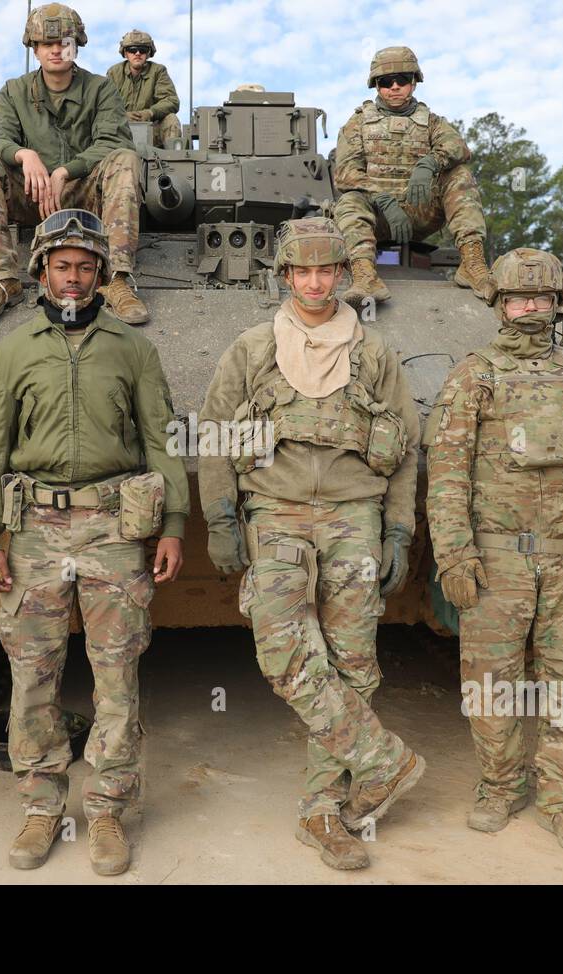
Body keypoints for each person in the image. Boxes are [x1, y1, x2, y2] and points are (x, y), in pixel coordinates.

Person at [198, 217, 424, 871]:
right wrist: (218, 516)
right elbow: (214, 431)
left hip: (355, 515)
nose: (316, 282)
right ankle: (384, 760)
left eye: (328, 270)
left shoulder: (373, 352)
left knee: (352, 665)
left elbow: (405, 448)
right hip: (278, 513)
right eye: (303, 270)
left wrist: (399, 528)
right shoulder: (252, 348)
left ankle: (323, 810)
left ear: (342, 276)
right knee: (287, 657)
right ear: (287, 275)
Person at [0, 208, 188, 876]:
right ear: (41, 270)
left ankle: (109, 810)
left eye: (86, 266)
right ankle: (40, 805)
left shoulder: (132, 349)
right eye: (62, 265)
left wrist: (173, 524)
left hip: (114, 527)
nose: (73, 278)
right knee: (32, 674)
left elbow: (160, 440)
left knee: (116, 676)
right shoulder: (12, 349)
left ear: (100, 273)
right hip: (34, 527)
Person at [425, 247, 563, 854]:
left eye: (542, 297)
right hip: (496, 559)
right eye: (520, 297)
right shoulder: (474, 376)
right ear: (499, 304)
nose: (531, 306)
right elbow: (446, 473)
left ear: (557, 305)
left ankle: (562, 800)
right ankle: (498, 787)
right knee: (491, 682)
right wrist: (454, 554)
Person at [0, 3, 149, 324]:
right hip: (32, 197)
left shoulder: (100, 89)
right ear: (35, 49)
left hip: (85, 198)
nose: (57, 50)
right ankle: (1, 279)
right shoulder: (14, 91)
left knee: (125, 160)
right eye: (47, 44)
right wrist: (24, 154)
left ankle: (115, 279)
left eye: (65, 43)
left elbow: (114, 141)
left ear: (76, 46)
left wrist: (66, 171)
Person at [331, 46, 494, 309]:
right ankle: (364, 276)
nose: (394, 87)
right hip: (377, 217)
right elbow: (346, 173)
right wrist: (381, 197)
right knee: (349, 201)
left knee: (459, 175)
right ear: (376, 86)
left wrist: (430, 162)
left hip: (421, 211)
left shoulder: (431, 122)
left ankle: (473, 264)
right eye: (386, 82)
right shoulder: (357, 124)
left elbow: (459, 147)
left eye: (402, 80)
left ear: (414, 83)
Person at [106, 29, 182, 149]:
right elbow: (105, 106)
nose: (137, 53)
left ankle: (172, 162)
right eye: (132, 50)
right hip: (122, 131)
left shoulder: (158, 71)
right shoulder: (114, 73)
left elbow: (171, 100)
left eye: (142, 50)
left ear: (148, 53)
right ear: (125, 53)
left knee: (171, 119)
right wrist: (123, 116)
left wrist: (150, 113)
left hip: (151, 130)